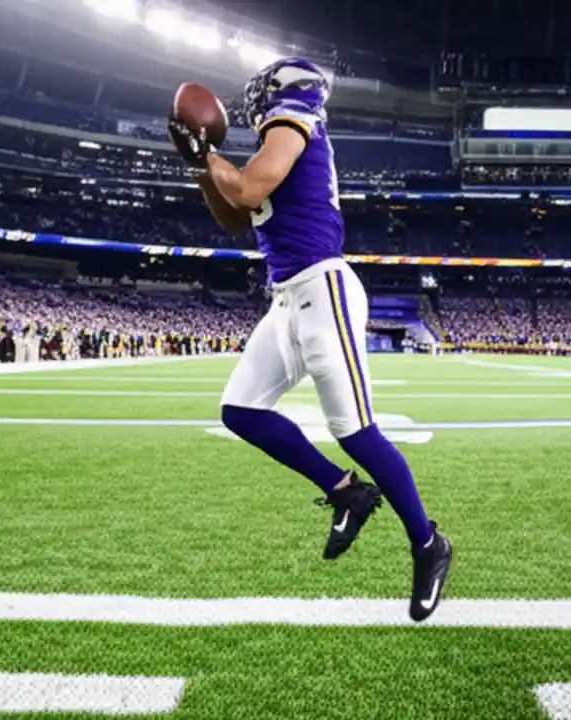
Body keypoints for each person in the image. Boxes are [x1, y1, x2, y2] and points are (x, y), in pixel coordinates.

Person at [167, 57, 452, 622]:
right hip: (287, 298)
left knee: (359, 434)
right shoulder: (281, 133)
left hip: (324, 291)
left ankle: (428, 545)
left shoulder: (296, 119)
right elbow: (233, 219)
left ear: (286, 89)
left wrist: (212, 157)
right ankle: (345, 491)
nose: (253, 101)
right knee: (240, 410)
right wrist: (201, 167)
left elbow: (249, 189)